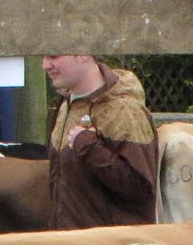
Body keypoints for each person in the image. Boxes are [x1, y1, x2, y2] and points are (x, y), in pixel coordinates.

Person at [41, 54, 158, 229]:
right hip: (71, 241)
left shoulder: (125, 110)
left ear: (83, 54)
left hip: (112, 243)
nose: (45, 65)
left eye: (54, 56)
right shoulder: (66, 106)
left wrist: (90, 148)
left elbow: (142, 190)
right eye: (43, 57)